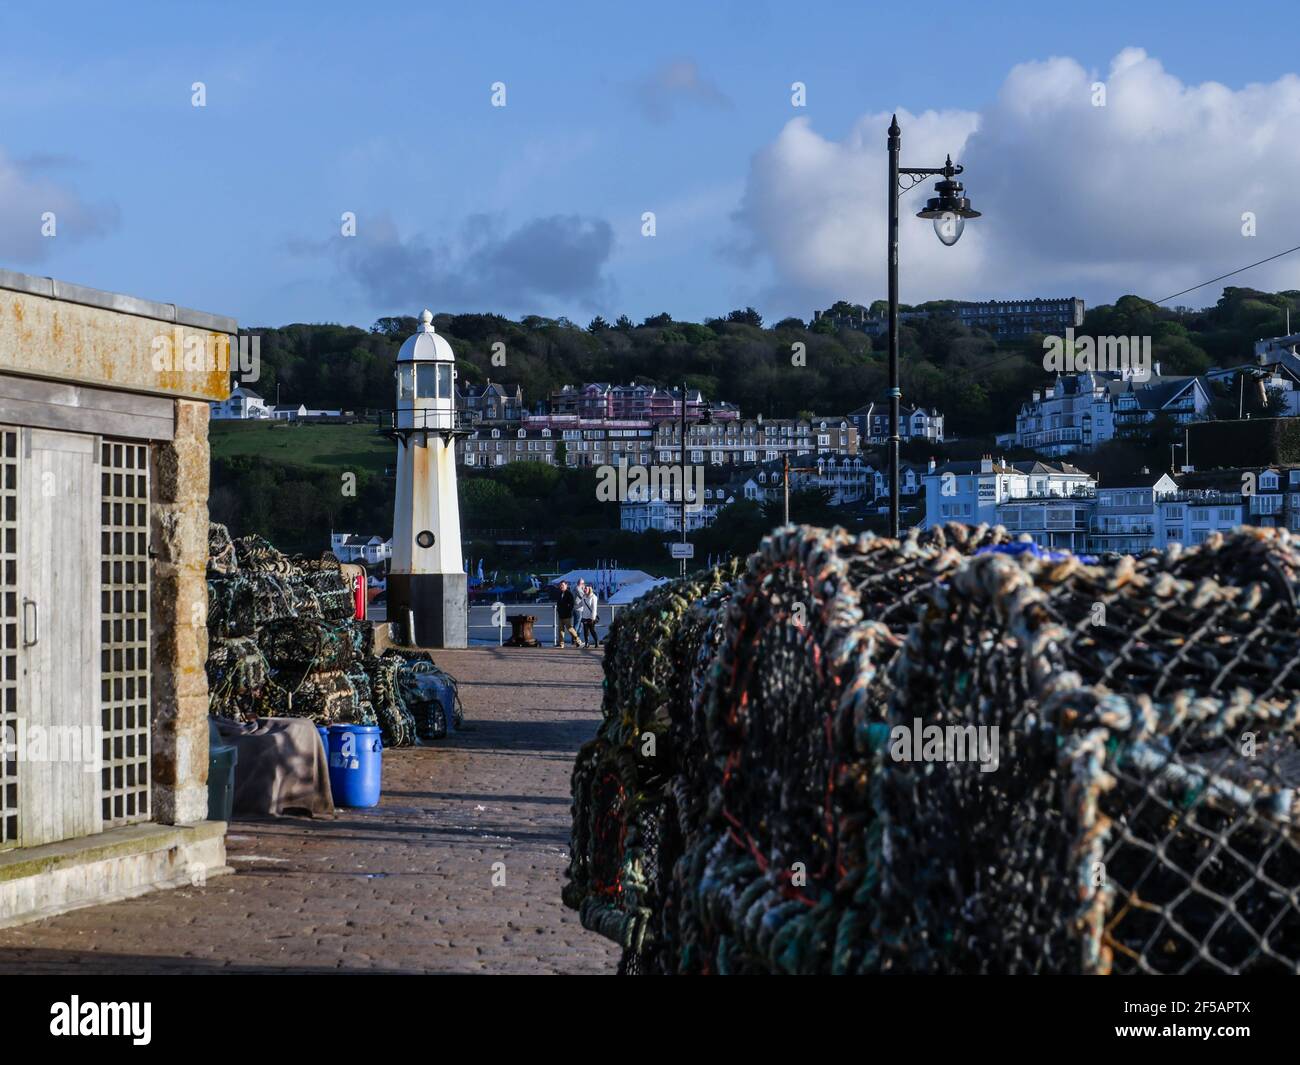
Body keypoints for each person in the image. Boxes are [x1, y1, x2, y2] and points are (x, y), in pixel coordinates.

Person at [556, 580, 583, 648]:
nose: (561, 586)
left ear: (566, 585)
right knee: (560, 630)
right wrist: (558, 610)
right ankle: (561, 644)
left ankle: (578, 640)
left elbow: (572, 604)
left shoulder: (569, 593)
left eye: (562, 585)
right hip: (560, 615)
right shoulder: (559, 593)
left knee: (570, 629)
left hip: (567, 615)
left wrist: (569, 611)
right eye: (560, 585)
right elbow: (558, 603)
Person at [579, 581, 600, 648]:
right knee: (585, 631)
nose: (584, 590)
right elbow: (581, 605)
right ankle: (586, 644)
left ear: (589, 589)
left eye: (586, 588)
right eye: (584, 588)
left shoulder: (593, 597)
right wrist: (574, 606)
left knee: (592, 630)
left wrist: (593, 618)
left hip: (591, 617)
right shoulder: (584, 597)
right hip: (585, 616)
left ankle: (596, 642)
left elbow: (594, 608)